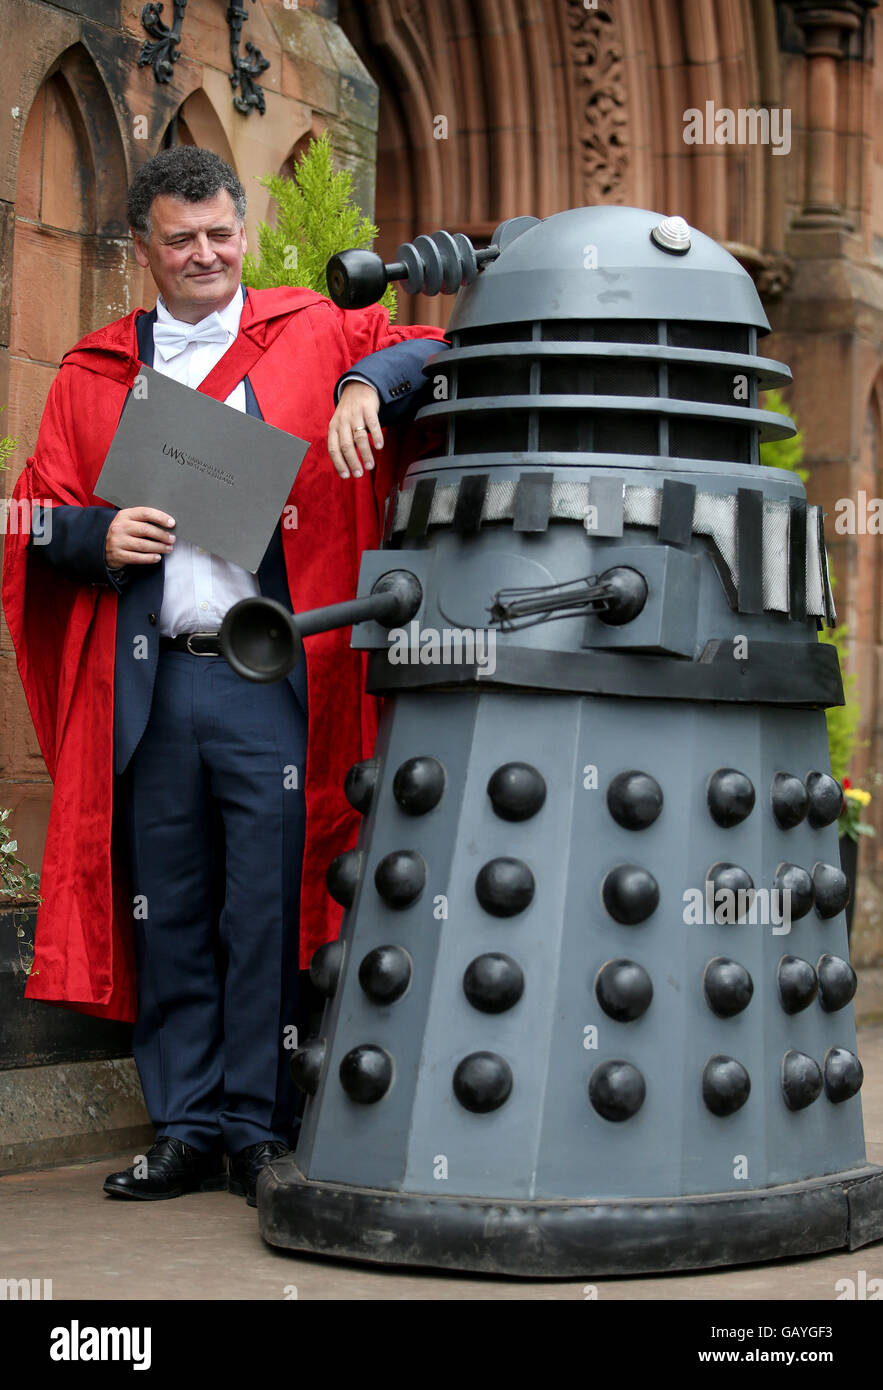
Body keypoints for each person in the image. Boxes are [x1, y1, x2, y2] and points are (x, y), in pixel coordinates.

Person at [1, 146, 448, 1204]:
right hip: (157, 683)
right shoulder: (95, 370)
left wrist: (357, 385)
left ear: (243, 231)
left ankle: (258, 1125)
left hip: (272, 680)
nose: (203, 253)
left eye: (219, 233)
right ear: (144, 248)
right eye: (179, 238)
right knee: (169, 903)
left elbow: (428, 347)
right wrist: (95, 539)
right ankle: (185, 1125)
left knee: (267, 908)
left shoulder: (313, 328)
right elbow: (28, 517)